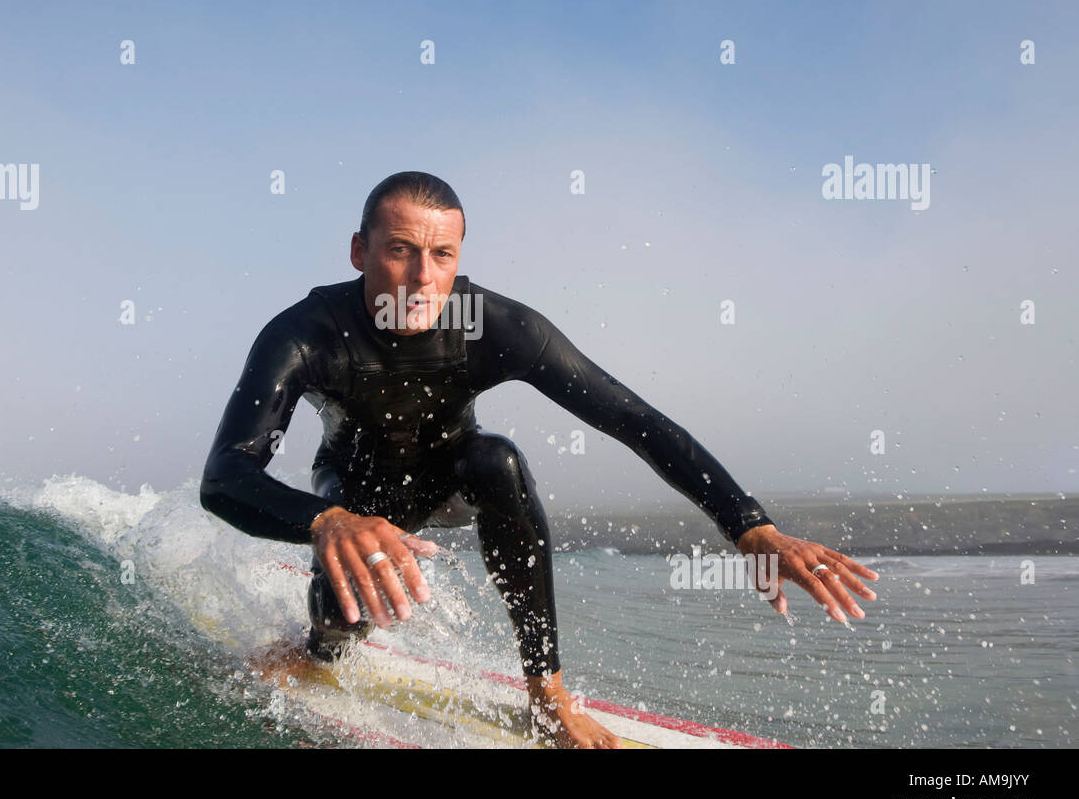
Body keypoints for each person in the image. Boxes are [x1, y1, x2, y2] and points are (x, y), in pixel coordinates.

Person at [200, 171, 879, 748]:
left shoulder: (491, 324)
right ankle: (318, 647)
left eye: (441, 254)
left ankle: (546, 690)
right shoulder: (307, 332)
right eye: (400, 250)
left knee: (496, 460)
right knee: (344, 611)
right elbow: (226, 475)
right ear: (359, 251)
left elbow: (634, 421)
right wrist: (329, 522)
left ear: (459, 255)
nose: (421, 277)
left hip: (453, 479)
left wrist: (750, 526)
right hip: (352, 491)